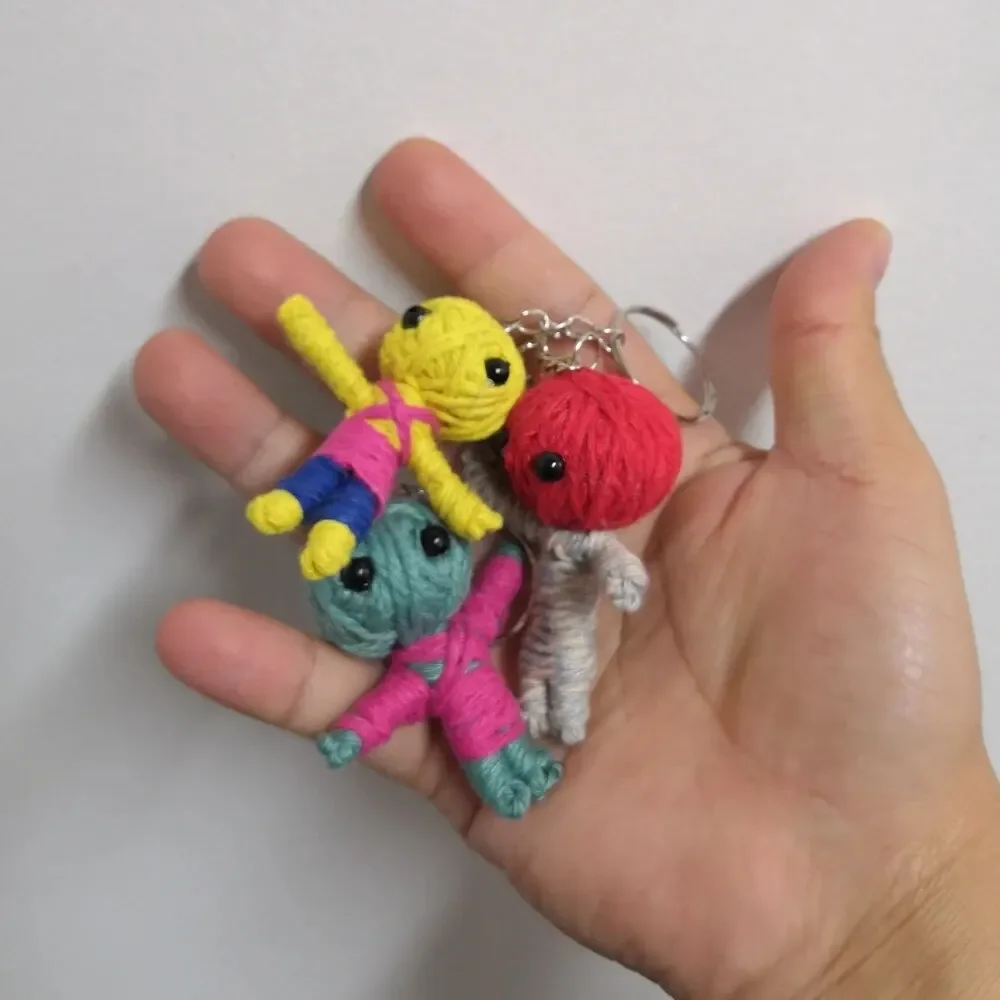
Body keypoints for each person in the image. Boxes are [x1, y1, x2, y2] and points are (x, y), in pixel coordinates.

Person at [133, 138, 1000, 999]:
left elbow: (505, 551)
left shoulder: (557, 541)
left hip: (552, 619)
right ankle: (521, 720)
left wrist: (576, 564)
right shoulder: (478, 531)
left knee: (560, 678)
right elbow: (475, 528)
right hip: (479, 604)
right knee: (516, 677)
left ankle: (551, 721)